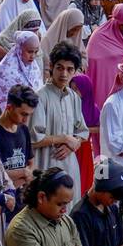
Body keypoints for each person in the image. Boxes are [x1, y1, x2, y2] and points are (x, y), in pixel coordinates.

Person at [31, 44, 89, 195]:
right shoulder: (40, 97)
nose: (64, 73)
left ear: (75, 71)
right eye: (60, 68)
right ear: (51, 66)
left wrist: (72, 144)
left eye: (69, 69)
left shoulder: (74, 97)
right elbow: (34, 139)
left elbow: (83, 132)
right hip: (45, 162)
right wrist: (64, 138)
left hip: (69, 164)